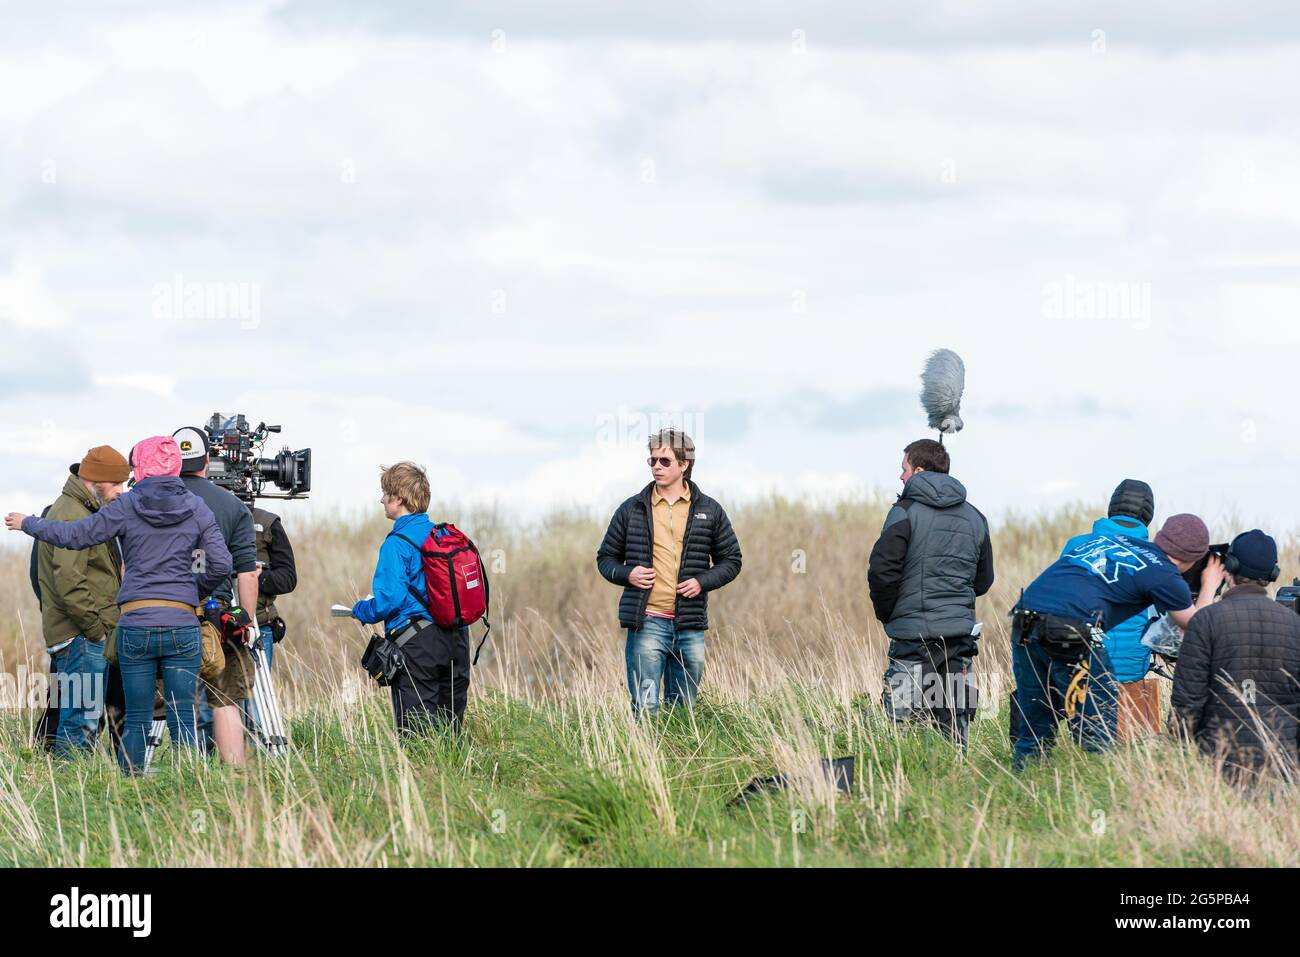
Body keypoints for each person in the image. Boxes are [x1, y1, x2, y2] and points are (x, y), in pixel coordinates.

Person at [6, 436, 232, 774]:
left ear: (139, 467)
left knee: (137, 716)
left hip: (135, 626)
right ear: (174, 467)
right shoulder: (198, 508)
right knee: (183, 713)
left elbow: (74, 536)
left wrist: (29, 524)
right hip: (182, 624)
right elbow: (220, 564)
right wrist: (188, 591)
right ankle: (190, 787)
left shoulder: (125, 507)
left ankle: (132, 787)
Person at [1009, 512, 1223, 770]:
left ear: (1160, 537)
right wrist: (1210, 583)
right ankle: (1099, 785)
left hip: (1024, 620)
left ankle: (1026, 780)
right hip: (1071, 631)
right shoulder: (1165, 573)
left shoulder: (1116, 541)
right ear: (1195, 558)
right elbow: (1194, 623)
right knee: (1098, 719)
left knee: (1036, 719)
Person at [596, 429, 742, 716]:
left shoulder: (710, 510)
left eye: (664, 461)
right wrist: (628, 574)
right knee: (646, 709)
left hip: (690, 626)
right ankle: (645, 760)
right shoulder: (631, 509)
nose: (656, 467)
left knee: (683, 711)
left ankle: (677, 759)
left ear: (684, 464)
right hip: (647, 622)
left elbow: (732, 560)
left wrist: (702, 582)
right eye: (652, 461)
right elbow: (605, 559)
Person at [868, 439, 994, 747]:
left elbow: (882, 572)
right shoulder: (976, 517)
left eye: (904, 469)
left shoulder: (903, 513)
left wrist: (888, 614)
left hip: (912, 639)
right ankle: (957, 781)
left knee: (901, 728)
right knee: (954, 727)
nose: (901, 477)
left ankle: (903, 785)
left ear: (919, 470)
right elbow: (984, 581)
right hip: (959, 638)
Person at [1170, 530, 1300, 786]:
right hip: (1283, 765)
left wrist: (1183, 756)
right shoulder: (1295, 624)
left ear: (1230, 567)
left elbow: (1187, 702)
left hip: (1219, 763)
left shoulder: (1205, 621)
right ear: (1273, 573)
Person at [352, 461, 472, 735]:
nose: (381, 499)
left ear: (399, 499)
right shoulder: (444, 535)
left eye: (385, 493)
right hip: (457, 640)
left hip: (417, 645)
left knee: (416, 735)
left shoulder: (397, 543)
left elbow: (388, 601)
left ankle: (420, 779)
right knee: (450, 733)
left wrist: (361, 610)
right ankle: (455, 777)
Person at [32, 446, 129, 756]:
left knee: (77, 717)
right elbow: (69, 580)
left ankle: (71, 788)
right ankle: (72, 791)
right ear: (96, 481)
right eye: (116, 485)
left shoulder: (83, 510)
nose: (120, 492)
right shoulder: (72, 513)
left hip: (81, 635)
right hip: (81, 637)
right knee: (80, 723)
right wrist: (96, 630)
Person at [173, 426, 260, 765]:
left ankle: (178, 776)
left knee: (175, 700)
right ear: (207, 461)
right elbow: (246, 573)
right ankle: (234, 774)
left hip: (166, 612)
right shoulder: (233, 506)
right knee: (224, 700)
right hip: (218, 615)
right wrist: (247, 621)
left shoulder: (152, 500)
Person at [1057, 479, 1162, 740]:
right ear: (1148, 516)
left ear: (1111, 508)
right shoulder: (1155, 555)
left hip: (1084, 664)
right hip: (1133, 670)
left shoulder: (1076, 546)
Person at [242, 503, 297, 739]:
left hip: (259, 624)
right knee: (212, 704)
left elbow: (288, 578)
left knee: (257, 706)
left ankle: (260, 767)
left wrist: (256, 578)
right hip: (213, 625)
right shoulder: (203, 511)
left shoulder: (267, 523)